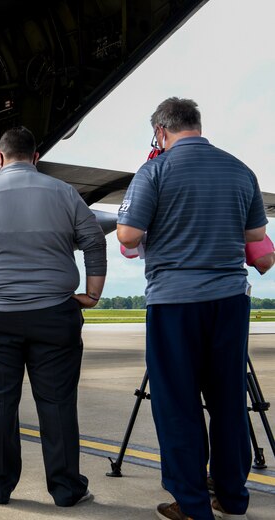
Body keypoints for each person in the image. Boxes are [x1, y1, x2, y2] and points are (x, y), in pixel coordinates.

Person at [117, 97, 267, 520]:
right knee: (228, 400)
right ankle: (232, 497)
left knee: (177, 403)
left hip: (175, 302)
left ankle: (192, 504)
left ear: (161, 131)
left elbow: (127, 234)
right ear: (197, 126)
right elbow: (256, 233)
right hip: (230, 301)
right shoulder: (240, 169)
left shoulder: (155, 170)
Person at [0, 126, 106, 507]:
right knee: (57, 402)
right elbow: (94, 239)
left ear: (0, 158)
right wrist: (93, 293)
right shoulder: (65, 192)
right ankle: (66, 489)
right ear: (36, 158)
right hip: (54, 313)